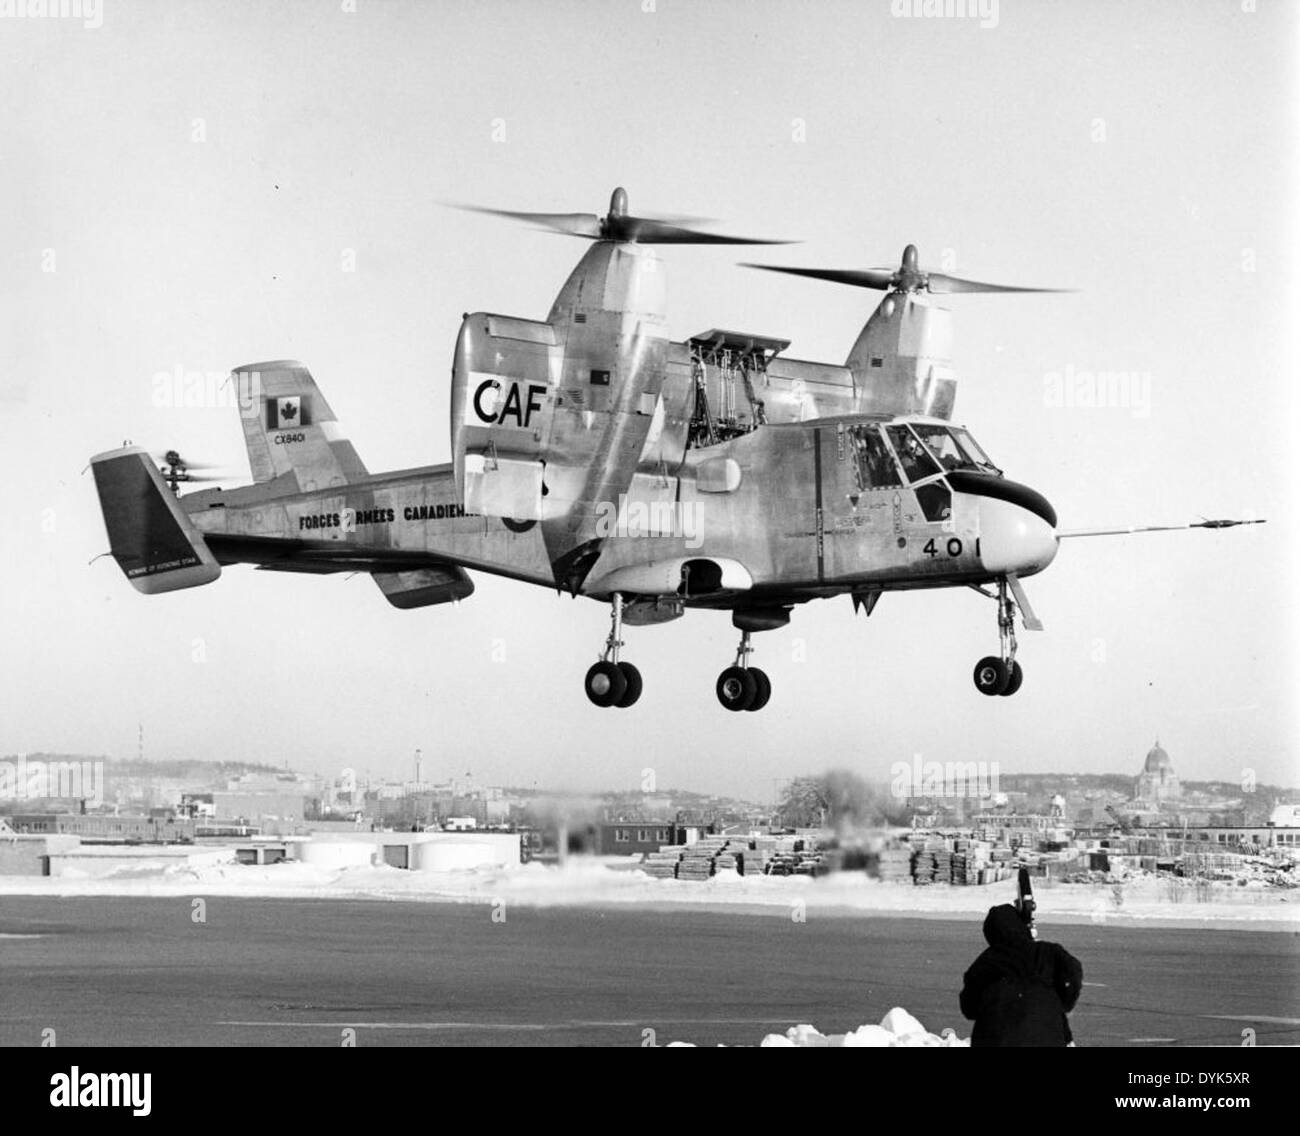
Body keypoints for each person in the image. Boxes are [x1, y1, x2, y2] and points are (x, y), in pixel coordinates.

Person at [959, 903, 1083, 1047]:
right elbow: (1073, 972)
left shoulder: (984, 963)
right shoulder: (1048, 951)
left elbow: (969, 1008)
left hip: (996, 1038)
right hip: (1045, 1034)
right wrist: (1062, 1001)